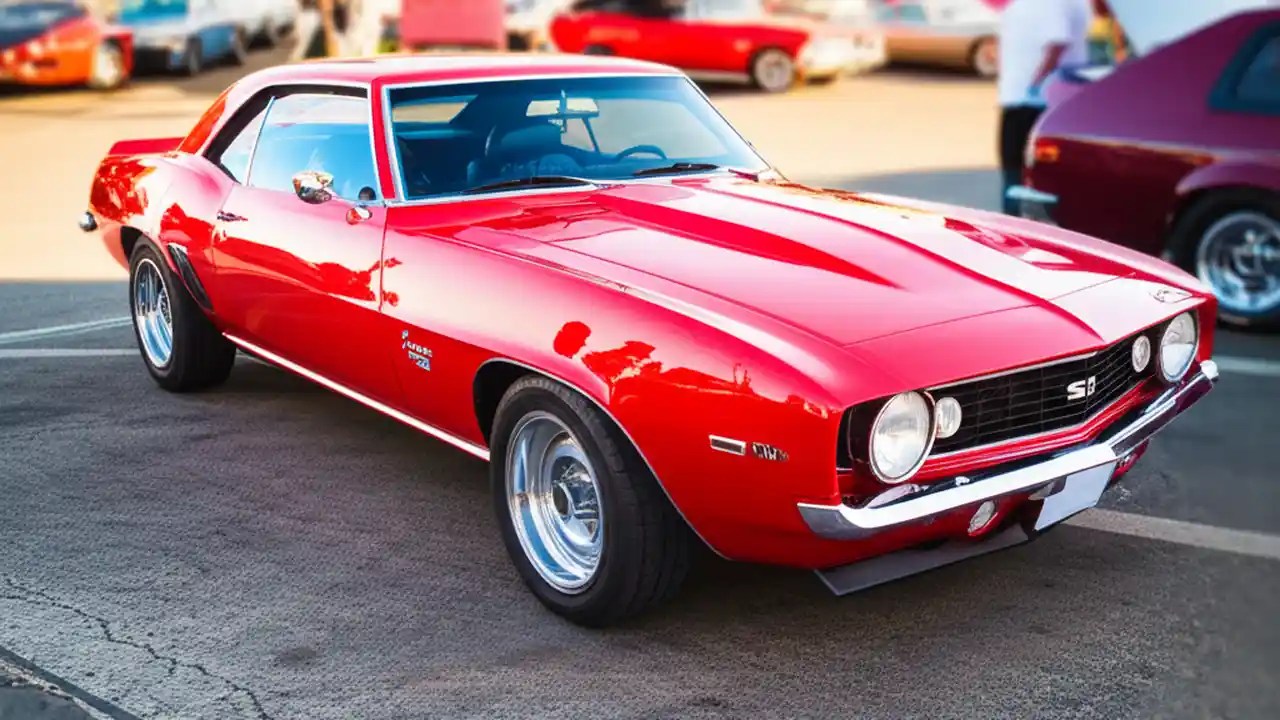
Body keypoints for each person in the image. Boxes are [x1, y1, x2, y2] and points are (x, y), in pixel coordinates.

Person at [996, 0, 1093, 215]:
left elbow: (1057, 42)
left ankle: (1018, 227)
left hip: (1031, 102)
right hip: (1021, 97)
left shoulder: (1049, 3)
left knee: (1020, 173)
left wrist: (1036, 82)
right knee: (1016, 171)